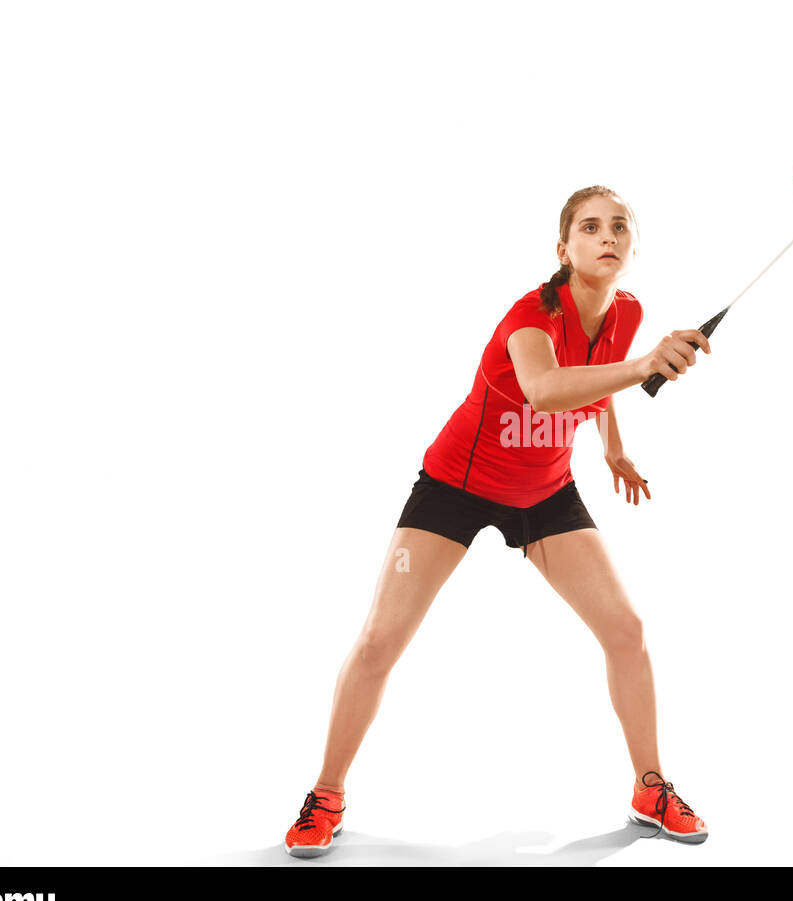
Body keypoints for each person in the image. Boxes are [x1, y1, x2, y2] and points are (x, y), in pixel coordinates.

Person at [284, 186, 712, 857]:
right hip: (457, 485)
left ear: (632, 244)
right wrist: (644, 366)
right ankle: (326, 794)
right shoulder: (531, 315)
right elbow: (544, 386)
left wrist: (616, 450)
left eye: (619, 227)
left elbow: (595, 383)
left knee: (625, 630)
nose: (607, 237)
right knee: (379, 642)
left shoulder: (627, 313)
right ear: (563, 248)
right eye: (590, 227)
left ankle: (649, 786)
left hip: (545, 490)